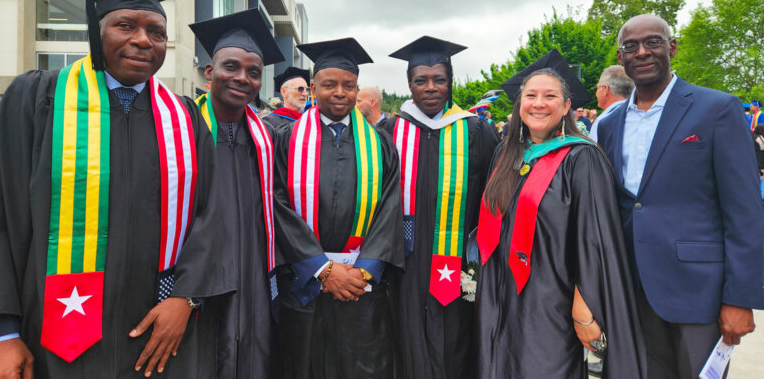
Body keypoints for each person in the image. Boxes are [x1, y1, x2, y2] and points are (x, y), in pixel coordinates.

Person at [0, 0, 231, 378]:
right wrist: (3, 332)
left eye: (156, 32)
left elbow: (212, 217)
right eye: (126, 25)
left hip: (162, 333)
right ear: (96, 31)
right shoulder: (36, 99)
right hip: (52, 332)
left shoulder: (184, 118)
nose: (143, 40)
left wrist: (187, 299)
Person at [596, 14, 764, 379]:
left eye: (652, 42)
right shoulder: (608, 125)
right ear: (621, 58)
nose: (642, 52)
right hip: (632, 291)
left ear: (671, 47)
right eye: (630, 47)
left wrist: (740, 298)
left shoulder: (716, 109)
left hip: (698, 295)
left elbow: (745, 211)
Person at [475, 51, 645, 379]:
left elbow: (595, 242)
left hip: (551, 301)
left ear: (566, 107)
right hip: (498, 295)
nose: (539, 103)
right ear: (519, 104)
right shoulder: (504, 154)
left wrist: (584, 308)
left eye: (550, 96)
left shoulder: (582, 160)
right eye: (531, 96)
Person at [273, 38, 404, 379]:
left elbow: (390, 206)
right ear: (314, 88)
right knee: (302, 364)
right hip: (305, 281)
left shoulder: (379, 142)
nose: (340, 93)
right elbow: (278, 203)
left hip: (360, 285)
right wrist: (322, 269)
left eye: (349, 86)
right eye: (329, 85)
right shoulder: (287, 138)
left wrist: (364, 270)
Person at [382, 36, 499, 379]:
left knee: (457, 342)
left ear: (451, 82)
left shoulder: (476, 131)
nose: (430, 88)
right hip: (404, 261)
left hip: (459, 262)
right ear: (409, 84)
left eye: (440, 79)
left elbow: (492, 200)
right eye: (421, 80)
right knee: (406, 339)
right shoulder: (388, 130)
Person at [189, 8, 285, 379]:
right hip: (197, 287)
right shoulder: (180, 132)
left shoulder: (267, 139)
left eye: (254, 72)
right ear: (210, 72)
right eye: (231, 67)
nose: (242, 78)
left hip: (254, 282)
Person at [589, 65, 633, 142]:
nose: (596, 93)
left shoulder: (602, 122)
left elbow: (594, 153)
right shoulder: (642, 116)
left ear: (605, 89)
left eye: (597, 88)